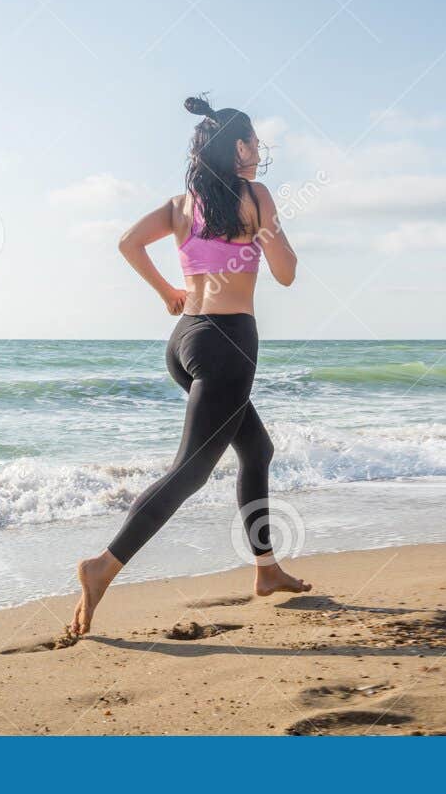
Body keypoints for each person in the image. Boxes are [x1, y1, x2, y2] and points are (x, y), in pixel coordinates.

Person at [69, 96, 311, 637]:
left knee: (256, 449)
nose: (259, 151)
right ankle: (102, 566)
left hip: (186, 340)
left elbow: (128, 243)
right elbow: (288, 273)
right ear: (240, 146)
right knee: (192, 470)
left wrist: (167, 293)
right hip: (228, 344)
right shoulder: (257, 197)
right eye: (253, 142)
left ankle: (266, 570)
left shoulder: (181, 204)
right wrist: (267, 228)